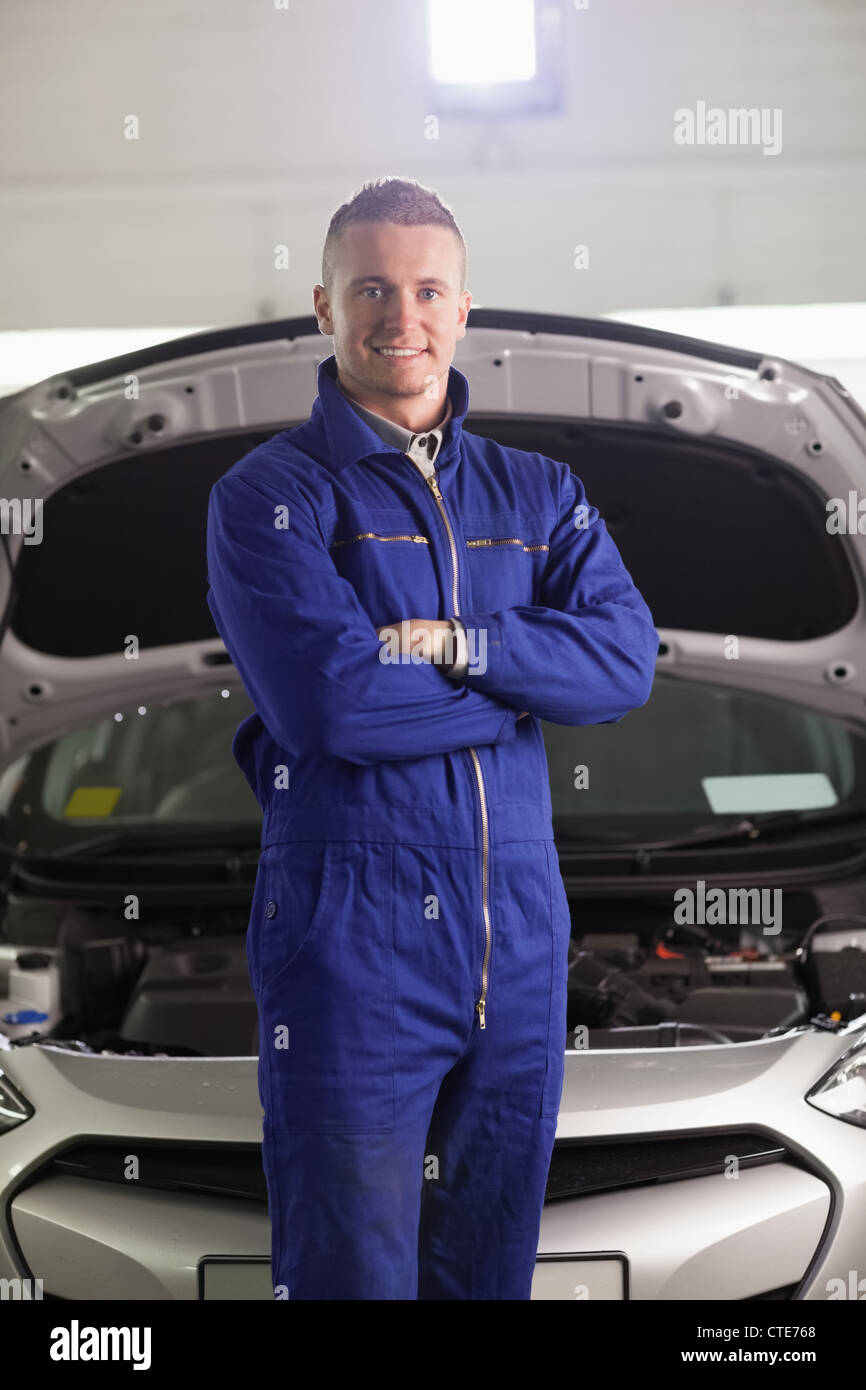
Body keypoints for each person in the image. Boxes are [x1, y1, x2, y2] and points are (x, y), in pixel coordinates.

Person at [205, 176, 658, 1300]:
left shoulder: (540, 491)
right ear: (322, 304)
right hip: (348, 938)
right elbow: (333, 707)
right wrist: (522, 688)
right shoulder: (271, 496)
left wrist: (458, 645)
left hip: (519, 929)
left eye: (423, 289)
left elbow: (624, 663)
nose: (396, 314)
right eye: (368, 287)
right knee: (353, 1272)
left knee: (487, 1268)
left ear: (463, 309)